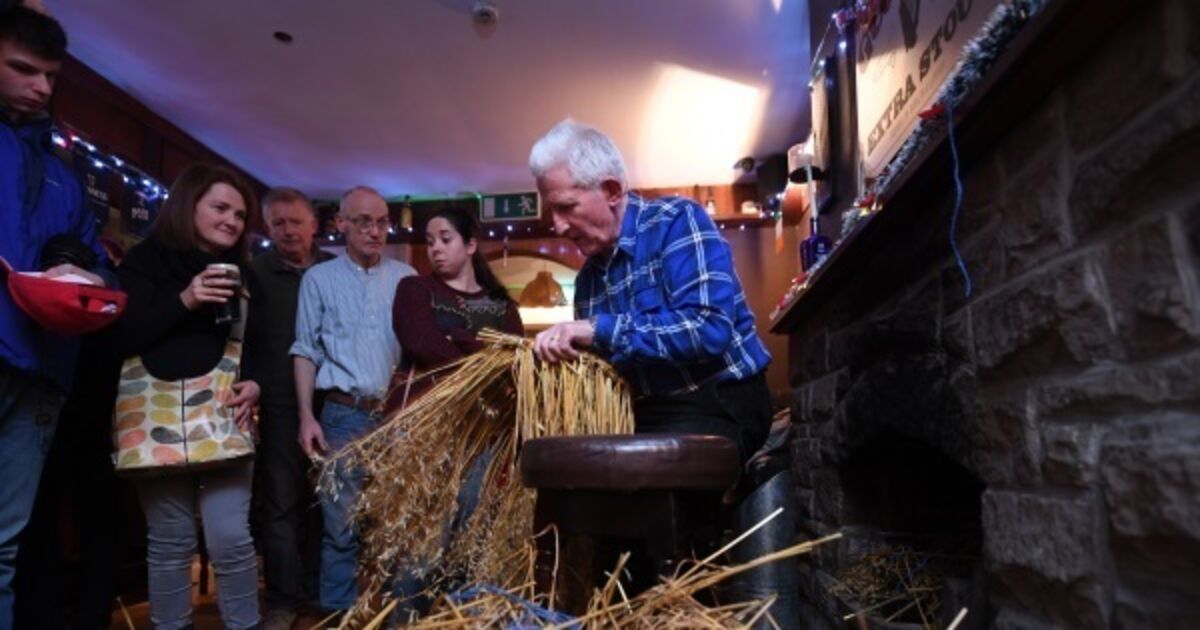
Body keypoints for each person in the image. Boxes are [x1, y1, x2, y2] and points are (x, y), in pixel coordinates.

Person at [528, 120, 773, 463]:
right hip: (647, 413)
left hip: (720, 398)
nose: (558, 225)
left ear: (612, 191)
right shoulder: (587, 282)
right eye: (552, 212)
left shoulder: (677, 221)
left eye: (566, 207)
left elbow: (708, 329)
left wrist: (598, 328)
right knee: (570, 467)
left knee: (634, 476)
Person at [0, 7, 115, 630]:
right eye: (24, 69)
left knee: (4, 548)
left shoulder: (63, 177)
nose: (41, 86)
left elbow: (101, 270)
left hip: (40, 373)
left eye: (50, 75)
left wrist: (86, 276)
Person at [116, 164, 262, 630]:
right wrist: (187, 298)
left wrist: (256, 383)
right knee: (170, 540)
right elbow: (122, 337)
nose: (231, 221)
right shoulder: (144, 262)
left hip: (224, 415)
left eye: (239, 215)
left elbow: (258, 346)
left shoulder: (245, 275)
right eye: (220, 208)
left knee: (230, 538)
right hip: (154, 420)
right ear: (188, 205)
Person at [291, 186, 415, 616]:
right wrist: (306, 416)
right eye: (363, 222)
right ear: (341, 223)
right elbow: (305, 350)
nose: (375, 231)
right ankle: (339, 617)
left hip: (398, 416)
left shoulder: (406, 278)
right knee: (340, 528)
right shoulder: (318, 279)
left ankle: (399, 618)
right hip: (343, 414)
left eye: (382, 222)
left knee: (399, 524)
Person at [249, 187, 333, 630]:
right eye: (277, 223)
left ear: (313, 225)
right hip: (279, 404)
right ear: (267, 227)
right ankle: (282, 601)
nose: (287, 231)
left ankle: (320, 593)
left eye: (295, 222)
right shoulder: (254, 274)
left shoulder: (335, 271)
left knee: (325, 503)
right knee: (280, 504)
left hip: (332, 404)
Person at [387, 206, 523, 409]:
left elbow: (515, 362)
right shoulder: (414, 288)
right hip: (423, 414)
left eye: (446, 239)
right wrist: (484, 356)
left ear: (471, 246)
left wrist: (463, 341)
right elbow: (423, 345)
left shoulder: (502, 305)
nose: (435, 248)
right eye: (430, 242)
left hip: (483, 418)